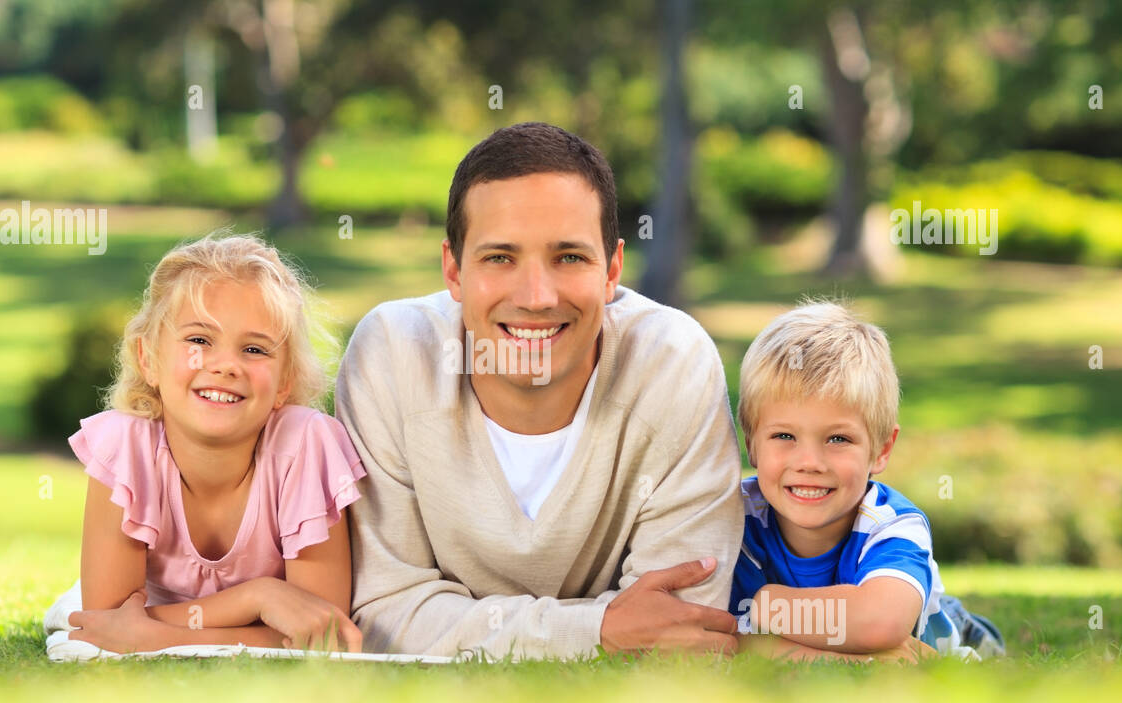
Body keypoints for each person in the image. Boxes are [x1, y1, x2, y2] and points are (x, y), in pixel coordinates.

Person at [337, 122, 745, 660]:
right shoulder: (392, 356)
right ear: (453, 271)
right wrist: (597, 631)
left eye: (569, 257)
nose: (536, 297)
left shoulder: (673, 366)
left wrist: (463, 629)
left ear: (612, 269)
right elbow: (385, 613)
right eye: (500, 257)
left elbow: (680, 628)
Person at [46, 233, 366, 654]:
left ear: (285, 381)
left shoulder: (306, 446)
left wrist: (159, 635)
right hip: (213, 619)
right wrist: (261, 597)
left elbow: (322, 632)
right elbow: (105, 624)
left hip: (158, 617)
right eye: (198, 340)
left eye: (254, 349)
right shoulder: (126, 447)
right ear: (149, 359)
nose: (226, 365)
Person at [729, 300, 1006, 662]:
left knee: (968, 643)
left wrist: (768, 607)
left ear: (881, 449)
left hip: (930, 623)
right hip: (848, 618)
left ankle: (963, 621)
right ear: (751, 443)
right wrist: (855, 660)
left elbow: (880, 623)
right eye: (784, 436)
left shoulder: (892, 524)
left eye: (838, 439)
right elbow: (703, 639)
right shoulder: (732, 521)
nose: (809, 462)